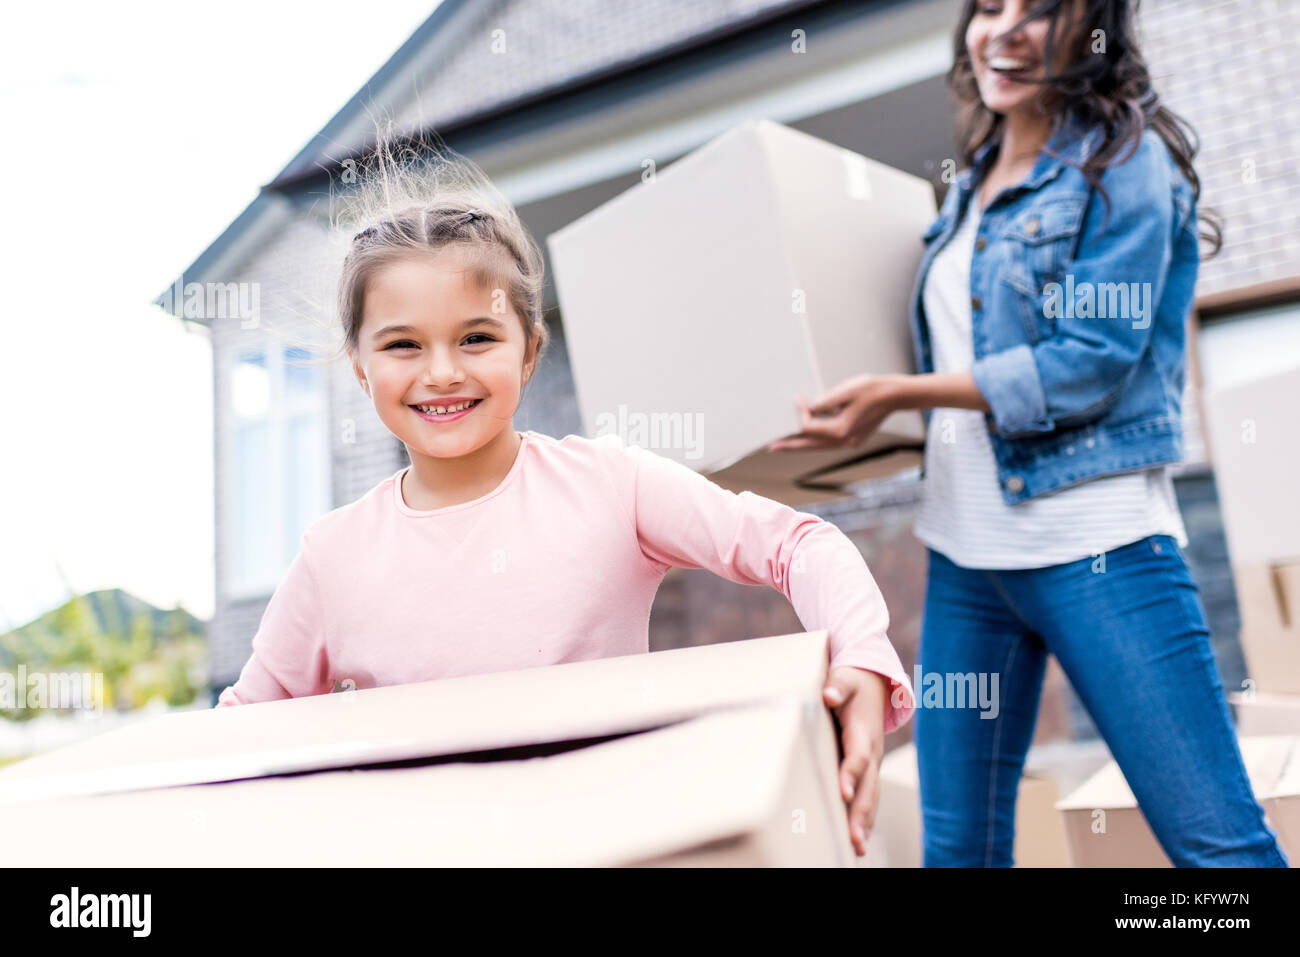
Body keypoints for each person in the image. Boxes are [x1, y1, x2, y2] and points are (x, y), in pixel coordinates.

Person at [215, 127, 916, 858]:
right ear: (359, 368)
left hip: (611, 843)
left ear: (529, 352)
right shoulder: (333, 557)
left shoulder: (610, 485)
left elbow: (798, 545)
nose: (443, 371)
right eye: (403, 345)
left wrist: (861, 661)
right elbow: (236, 736)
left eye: (478, 338)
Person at [768, 0, 1288, 866]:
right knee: (958, 850)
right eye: (985, 7)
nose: (1000, 31)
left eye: (1038, 10)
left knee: (1219, 855)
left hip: (1100, 550)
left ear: (1093, 28)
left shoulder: (1126, 163)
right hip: (967, 558)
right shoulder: (971, 181)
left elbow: (1090, 359)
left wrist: (902, 389)